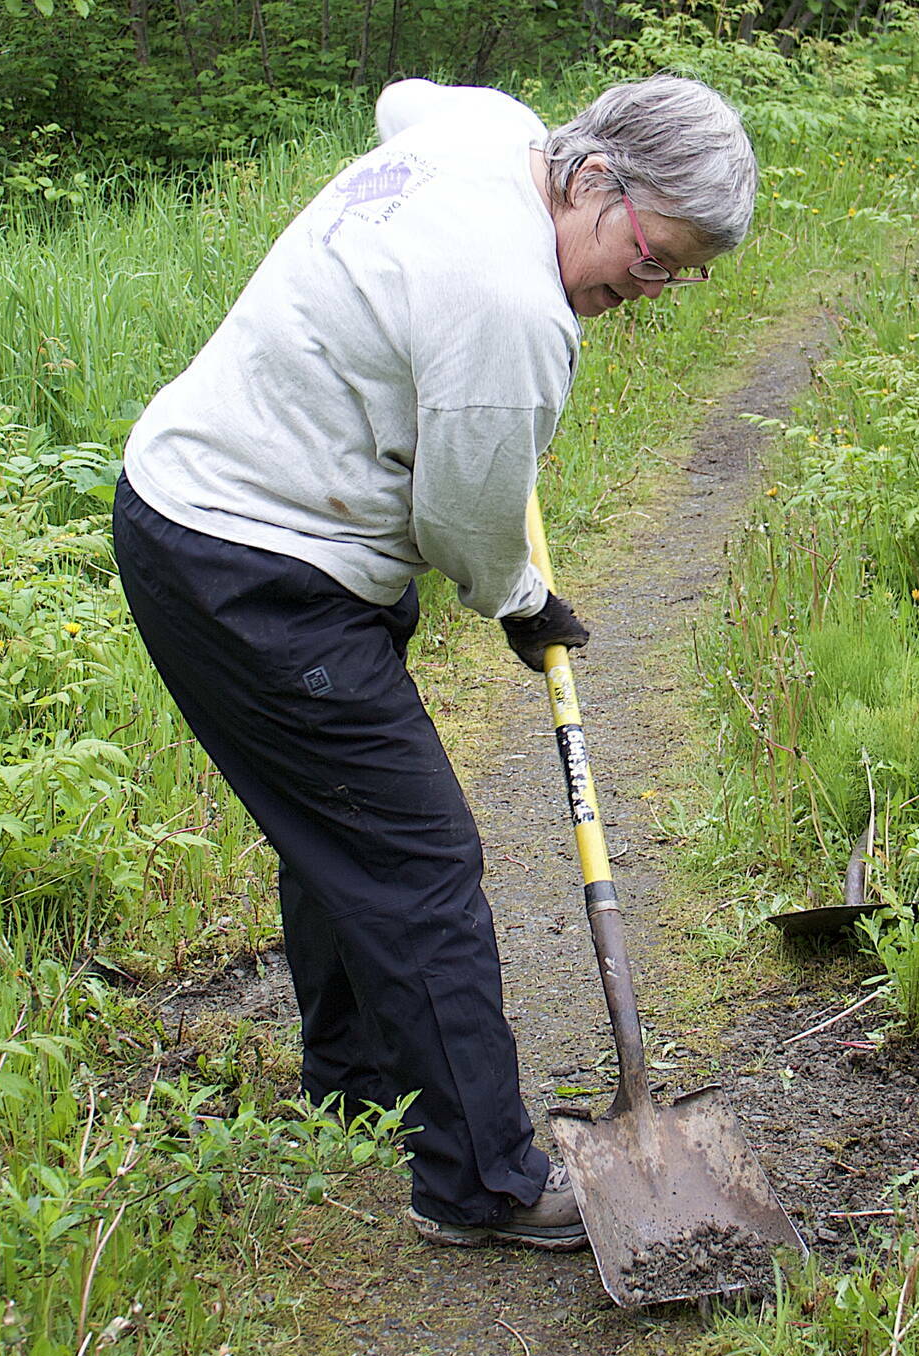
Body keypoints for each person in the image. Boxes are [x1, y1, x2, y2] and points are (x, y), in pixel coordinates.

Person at [111, 74, 756, 1251]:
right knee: (416, 860)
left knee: (340, 826)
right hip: (253, 567)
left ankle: (357, 1083)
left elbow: (400, 100)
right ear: (594, 177)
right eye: (652, 258)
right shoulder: (510, 312)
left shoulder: (495, 131)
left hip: (207, 508)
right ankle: (480, 1182)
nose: (648, 291)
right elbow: (466, 524)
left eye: (680, 275)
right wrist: (524, 604)